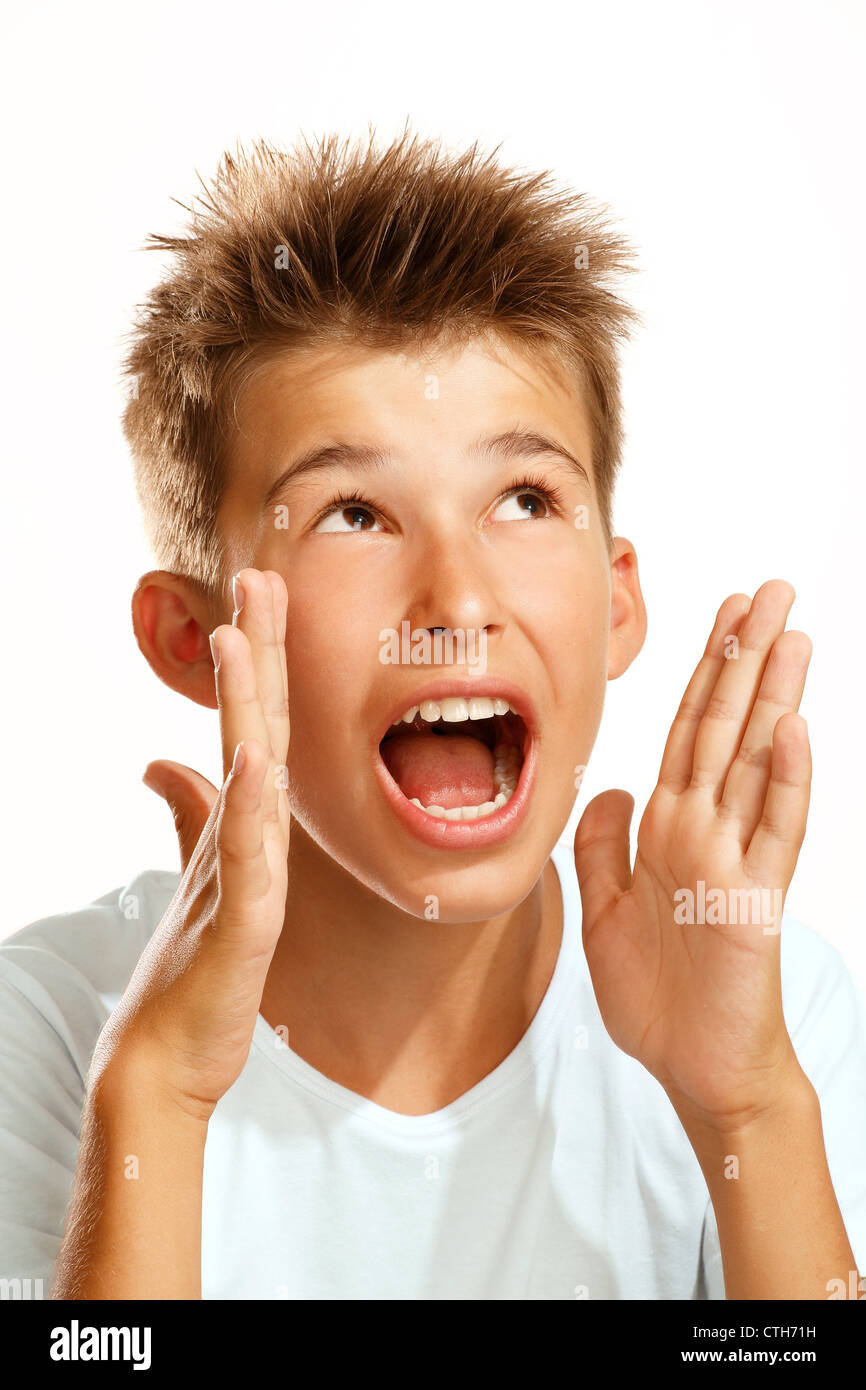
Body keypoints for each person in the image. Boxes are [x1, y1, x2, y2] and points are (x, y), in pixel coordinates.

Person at [2, 128, 865, 1301]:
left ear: (616, 602)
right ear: (186, 642)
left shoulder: (774, 1012)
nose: (457, 599)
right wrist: (154, 1089)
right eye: (353, 512)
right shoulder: (54, 1026)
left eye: (522, 496)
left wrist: (749, 1111)